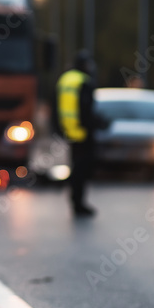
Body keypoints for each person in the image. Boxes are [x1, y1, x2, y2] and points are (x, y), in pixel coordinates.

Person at [54, 50, 99, 216]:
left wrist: (58, 128)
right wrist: (95, 125)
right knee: (82, 170)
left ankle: (76, 202)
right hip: (83, 134)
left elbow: (55, 105)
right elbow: (86, 110)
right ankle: (79, 203)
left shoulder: (65, 79)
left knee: (75, 168)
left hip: (69, 131)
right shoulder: (83, 82)